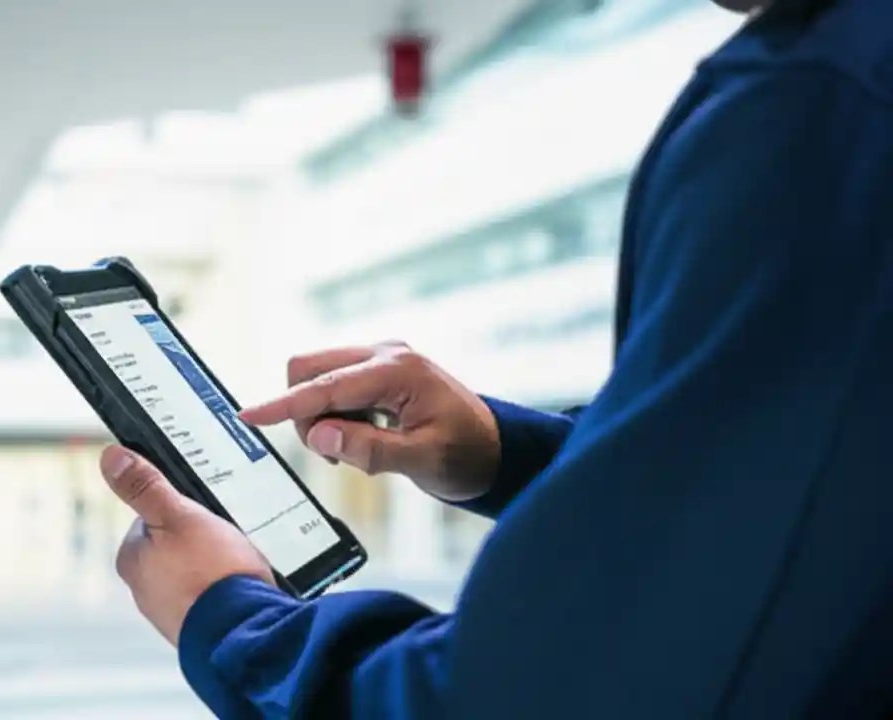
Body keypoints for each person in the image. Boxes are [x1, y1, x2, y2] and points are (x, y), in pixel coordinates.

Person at [95, 0, 893, 716]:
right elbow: (794, 498)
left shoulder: (823, 105)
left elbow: (548, 688)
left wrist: (229, 622)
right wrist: (504, 450)